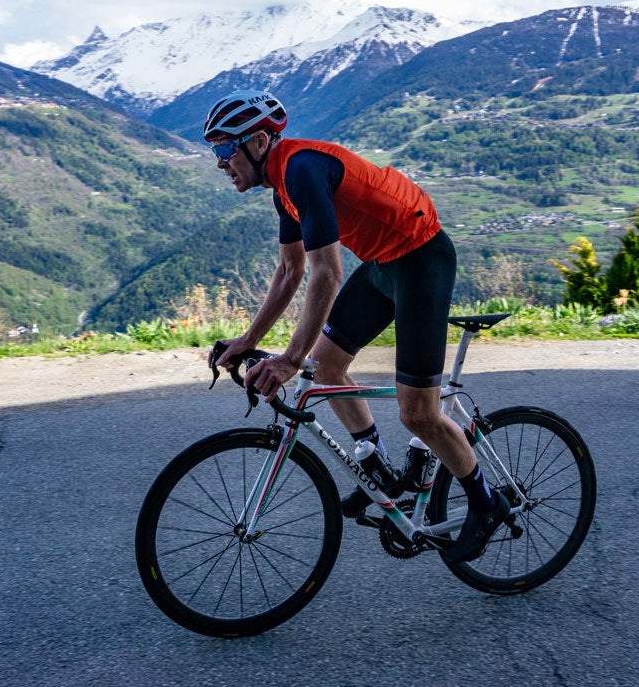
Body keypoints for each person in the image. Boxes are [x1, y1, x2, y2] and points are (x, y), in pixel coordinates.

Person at [206, 90, 508, 563]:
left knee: (418, 413)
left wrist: (287, 360)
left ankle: (486, 503)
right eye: (215, 152)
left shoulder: (302, 168)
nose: (220, 163)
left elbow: (327, 272)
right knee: (325, 370)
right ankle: (378, 468)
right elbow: (290, 271)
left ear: (260, 140)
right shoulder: (283, 186)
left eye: (225, 149)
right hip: (384, 264)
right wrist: (248, 341)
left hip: (421, 261)